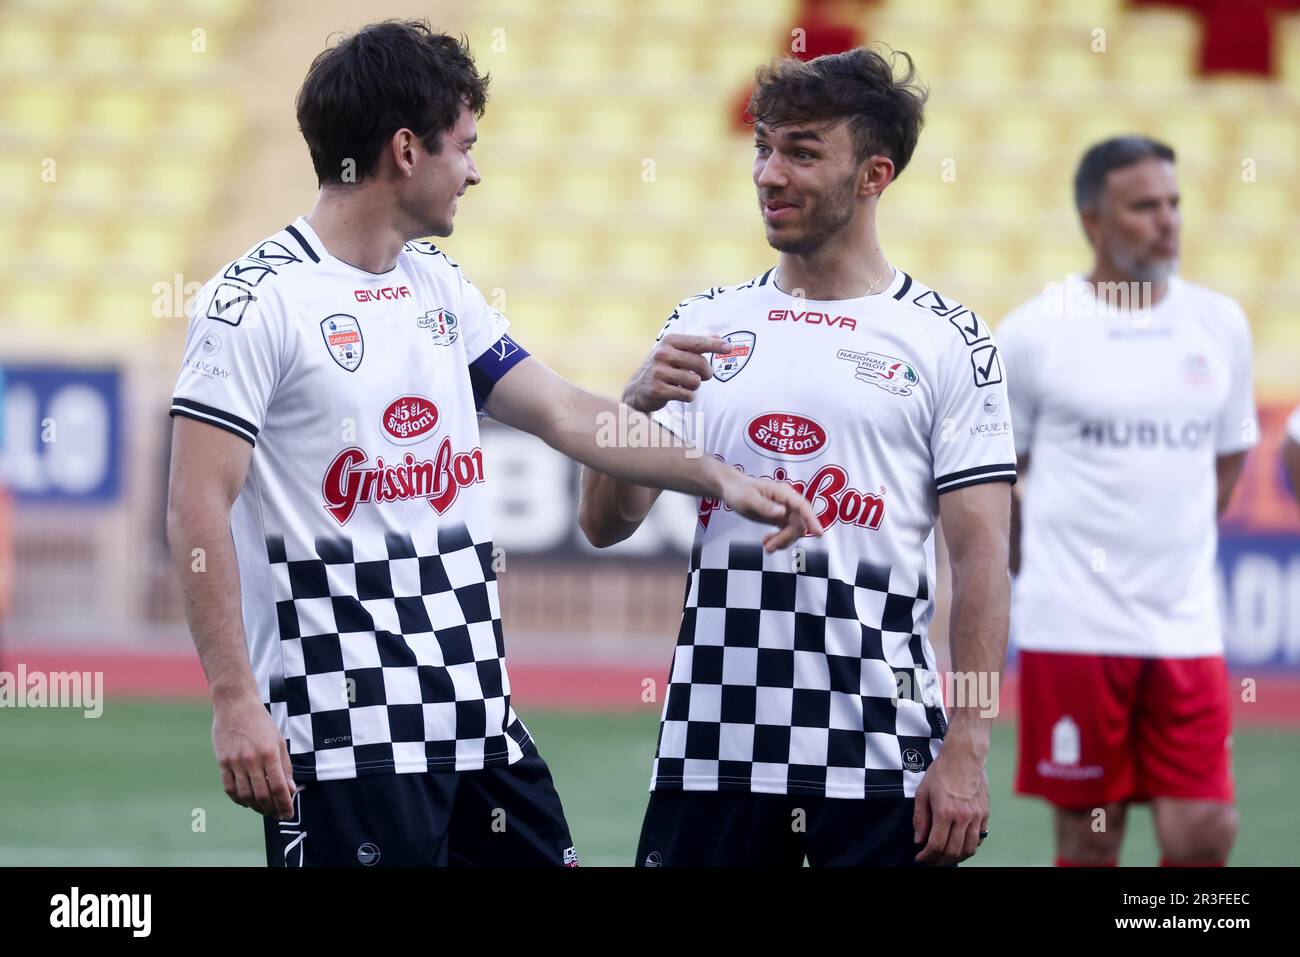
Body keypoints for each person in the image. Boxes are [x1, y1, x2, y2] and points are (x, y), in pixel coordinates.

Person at [166, 19, 820, 868]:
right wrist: (234, 701)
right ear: (406, 151)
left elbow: (562, 411)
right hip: (347, 730)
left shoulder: (436, 285)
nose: (475, 168)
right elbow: (195, 506)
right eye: (464, 146)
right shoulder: (253, 301)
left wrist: (715, 476)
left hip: (478, 719)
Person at [579, 47, 1016, 867]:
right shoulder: (709, 321)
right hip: (711, 753)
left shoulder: (950, 341)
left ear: (873, 174)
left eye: (803, 152)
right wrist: (630, 406)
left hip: (881, 762)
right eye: (764, 147)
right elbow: (603, 524)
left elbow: (983, 557)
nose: (770, 174)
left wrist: (969, 747)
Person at [998, 136, 1258, 867]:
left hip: (1184, 626)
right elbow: (999, 479)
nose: (1168, 221)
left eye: (1173, 203)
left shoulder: (1221, 324)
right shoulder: (1034, 332)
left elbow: (1230, 456)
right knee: (1089, 839)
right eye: (1144, 206)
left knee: (1205, 833)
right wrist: (1042, 569)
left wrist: (1169, 540)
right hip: (1073, 626)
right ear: (1093, 220)